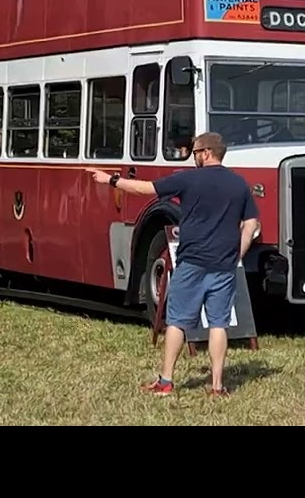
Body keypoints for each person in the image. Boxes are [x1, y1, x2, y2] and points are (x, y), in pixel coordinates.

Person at [85, 132, 259, 397]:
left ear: (206, 153)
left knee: (177, 321)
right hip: (224, 264)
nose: (193, 158)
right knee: (218, 323)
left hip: (191, 262)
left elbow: (146, 189)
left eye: (195, 153)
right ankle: (217, 386)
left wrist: (111, 180)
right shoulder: (239, 184)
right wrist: (238, 253)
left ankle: (166, 381)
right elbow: (251, 224)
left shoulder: (188, 179)